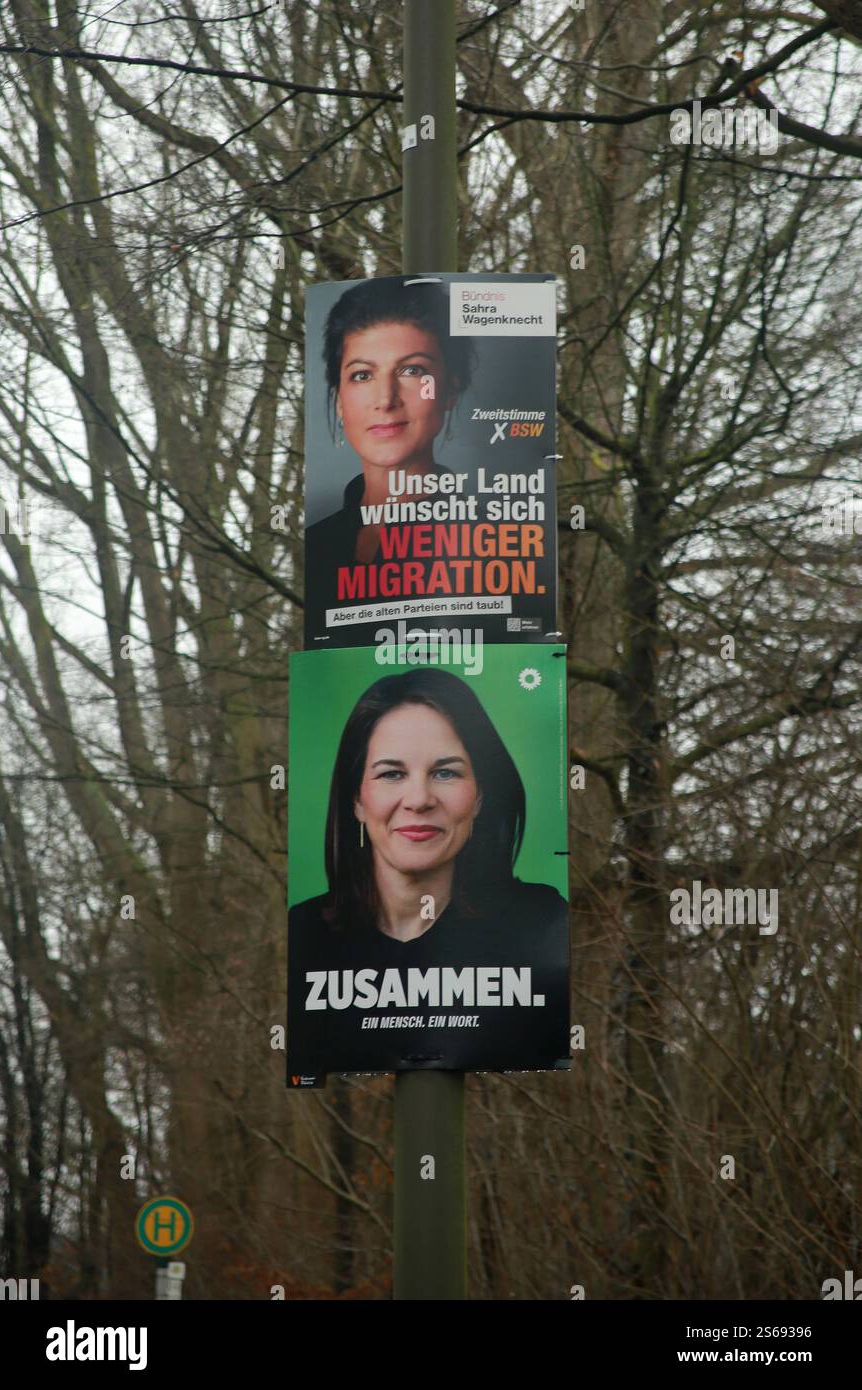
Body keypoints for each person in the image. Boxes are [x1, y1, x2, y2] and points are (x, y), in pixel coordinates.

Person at [287, 668, 569, 1078]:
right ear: (357, 801)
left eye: (446, 772)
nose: (418, 799)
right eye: (391, 774)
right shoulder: (305, 935)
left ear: (480, 797)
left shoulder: (542, 923)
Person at [303, 277, 477, 646]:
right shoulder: (315, 543)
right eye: (362, 375)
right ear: (338, 399)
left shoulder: (490, 540)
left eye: (412, 370)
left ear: (451, 388)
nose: (385, 399)